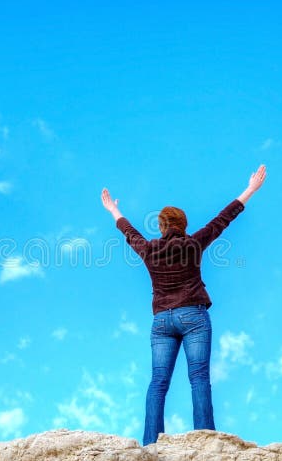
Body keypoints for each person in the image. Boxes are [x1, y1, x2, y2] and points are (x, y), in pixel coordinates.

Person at [101, 164, 266, 445]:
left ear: (161, 226)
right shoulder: (192, 244)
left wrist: (113, 210)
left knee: (158, 383)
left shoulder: (150, 250)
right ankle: (204, 440)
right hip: (193, 315)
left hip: (162, 321)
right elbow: (221, 220)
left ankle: (151, 444)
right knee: (199, 377)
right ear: (184, 225)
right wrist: (250, 190)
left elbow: (130, 233)